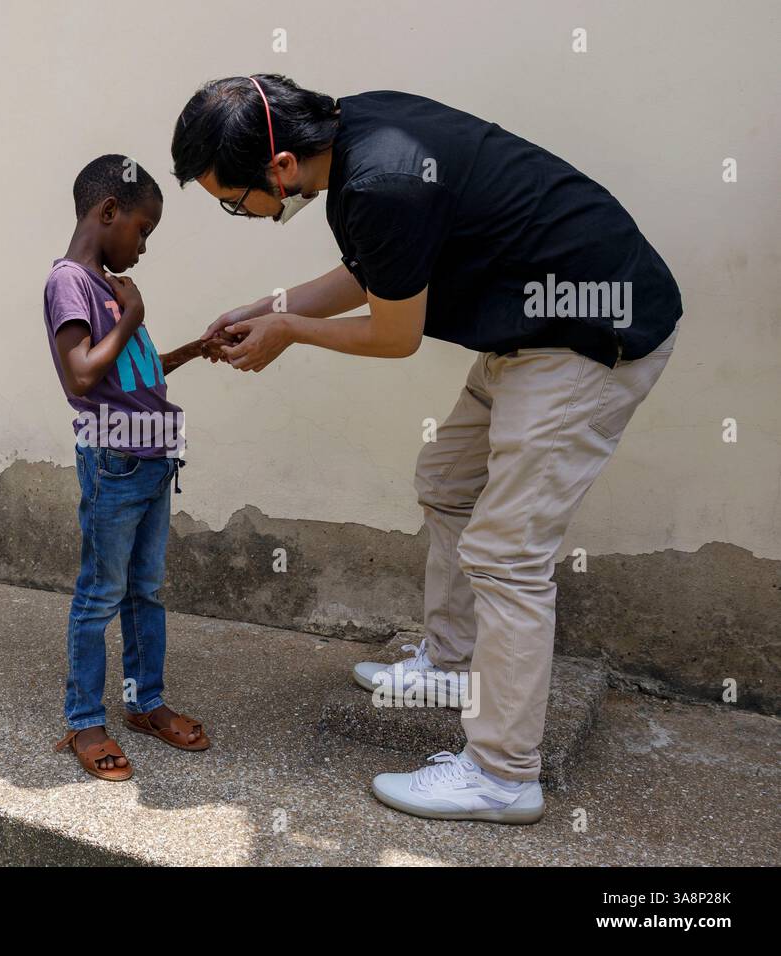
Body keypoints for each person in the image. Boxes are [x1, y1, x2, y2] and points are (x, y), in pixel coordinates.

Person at [171, 76, 682, 822]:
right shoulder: (357, 128)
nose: (240, 213)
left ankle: (503, 776)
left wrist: (288, 332)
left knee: (509, 555)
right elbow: (377, 266)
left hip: (590, 337)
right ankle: (452, 663)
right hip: (533, 326)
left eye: (233, 199)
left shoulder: (381, 182)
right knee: (447, 479)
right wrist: (268, 308)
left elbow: (394, 334)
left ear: (279, 167)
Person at [44, 154, 225, 781]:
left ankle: (144, 703)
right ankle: (84, 719)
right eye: (142, 231)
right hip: (113, 463)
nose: (143, 248)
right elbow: (83, 372)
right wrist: (134, 319)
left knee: (145, 591)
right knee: (100, 595)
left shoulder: (111, 291)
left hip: (151, 459)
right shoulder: (71, 281)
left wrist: (192, 351)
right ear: (109, 211)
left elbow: (133, 375)